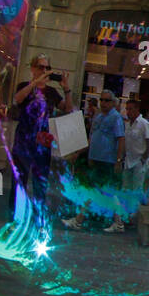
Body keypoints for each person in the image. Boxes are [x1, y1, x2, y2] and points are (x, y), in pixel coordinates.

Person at [4, 54, 74, 222]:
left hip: (42, 145)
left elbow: (68, 109)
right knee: (19, 182)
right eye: (41, 67)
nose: (44, 71)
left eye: (47, 68)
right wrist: (35, 82)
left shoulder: (51, 92)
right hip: (23, 143)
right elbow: (17, 99)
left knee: (40, 185)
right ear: (33, 68)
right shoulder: (25, 86)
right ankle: (15, 217)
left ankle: (37, 218)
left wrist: (66, 88)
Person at [63, 89, 125, 232]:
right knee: (104, 191)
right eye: (101, 100)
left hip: (107, 161)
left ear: (113, 102)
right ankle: (118, 222)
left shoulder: (116, 118)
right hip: (97, 160)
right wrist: (84, 154)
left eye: (107, 100)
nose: (103, 103)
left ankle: (79, 220)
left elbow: (121, 139)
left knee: (97, 190)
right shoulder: (99, 117)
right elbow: (92, 138)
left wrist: (118, 160)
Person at [121, 97, 149, 196]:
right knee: (126, 188)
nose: (128, 112)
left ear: (137, 109)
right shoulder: (128, 124)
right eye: (127, 109)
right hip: (128, 160)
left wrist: (143, 158)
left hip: (139, 161)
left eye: (130, 109)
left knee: (137, 188)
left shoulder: (144, 124)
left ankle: (135, 210)